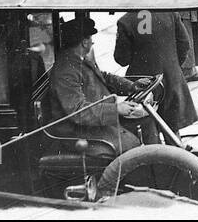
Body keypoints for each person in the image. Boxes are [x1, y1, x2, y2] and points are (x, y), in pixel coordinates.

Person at [44, 17, 155, 154]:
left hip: (93, 124)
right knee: (132, 145)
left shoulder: (78, 61)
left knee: (147, 121)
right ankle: (150, 162)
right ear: (85, 42)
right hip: (78, 133)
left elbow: (103, 77)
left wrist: (131, 87)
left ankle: (154, 162)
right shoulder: (66, 70)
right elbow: (78, 112)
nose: (92, 42)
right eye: (91, 38)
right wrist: (116, 109)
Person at [114, 9, 198, 133]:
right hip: (171, 80)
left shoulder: (125, 21)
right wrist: (173, 66)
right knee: (172, 132)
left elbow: (122, 59)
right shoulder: (170, 13)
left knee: (148, 131)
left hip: (143, 85)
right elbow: (185, 44)